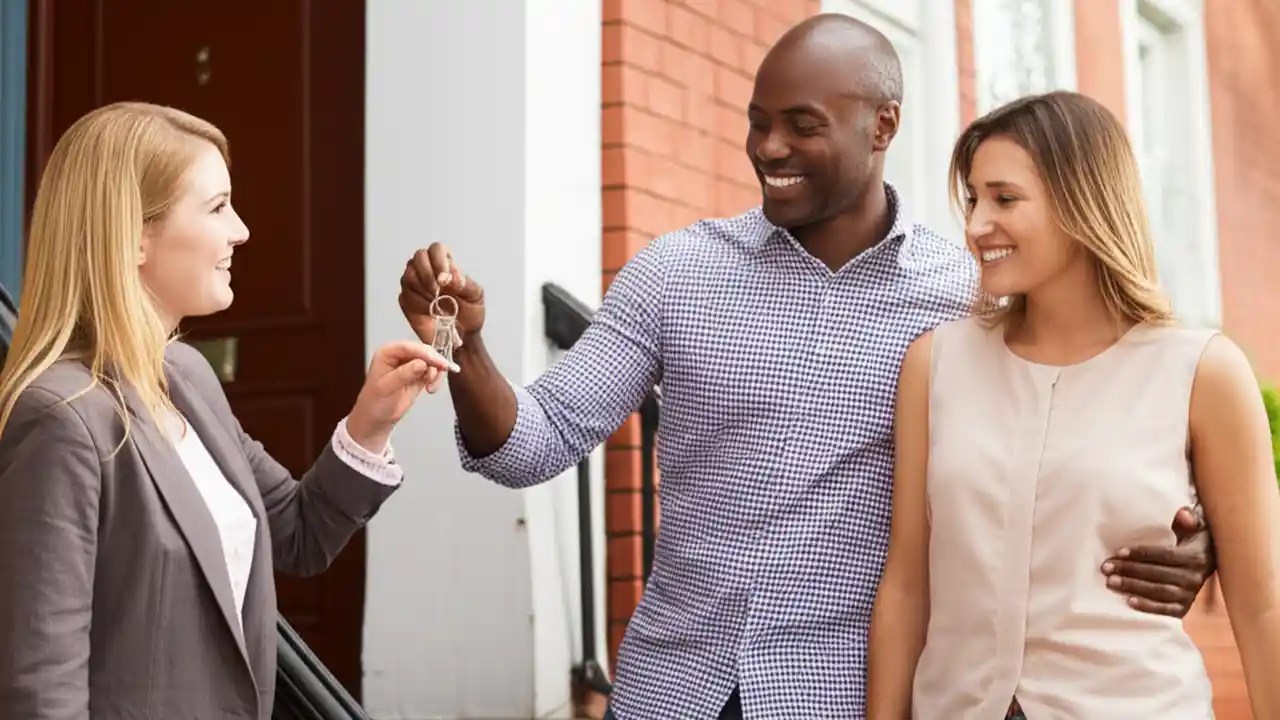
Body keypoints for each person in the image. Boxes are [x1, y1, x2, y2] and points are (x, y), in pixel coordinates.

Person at [400, 16, 1215, 720]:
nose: (769, 147)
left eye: (801, 123)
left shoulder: (971, 298)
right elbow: (531, 444)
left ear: (883, 125)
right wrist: (467, 350)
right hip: (668, 685)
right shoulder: (675, 273)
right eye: (758, 122)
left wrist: (1200, 535)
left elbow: (1084, 428)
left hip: (842, 692)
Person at [0, 102, 455, 720]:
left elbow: (297, 535)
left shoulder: (186, 377)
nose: (240, 230)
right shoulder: (59, 418)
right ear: (132, 234)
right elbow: (40, 689)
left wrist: (371, 421)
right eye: (217, 208)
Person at [866, 91, 1280, 718]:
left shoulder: (1201, 372)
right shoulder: (937, 364)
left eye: (1005, 199)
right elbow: (906, 584)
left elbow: (1262, 602)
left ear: (1081, 203)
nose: (977, 225)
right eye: (974, 200)